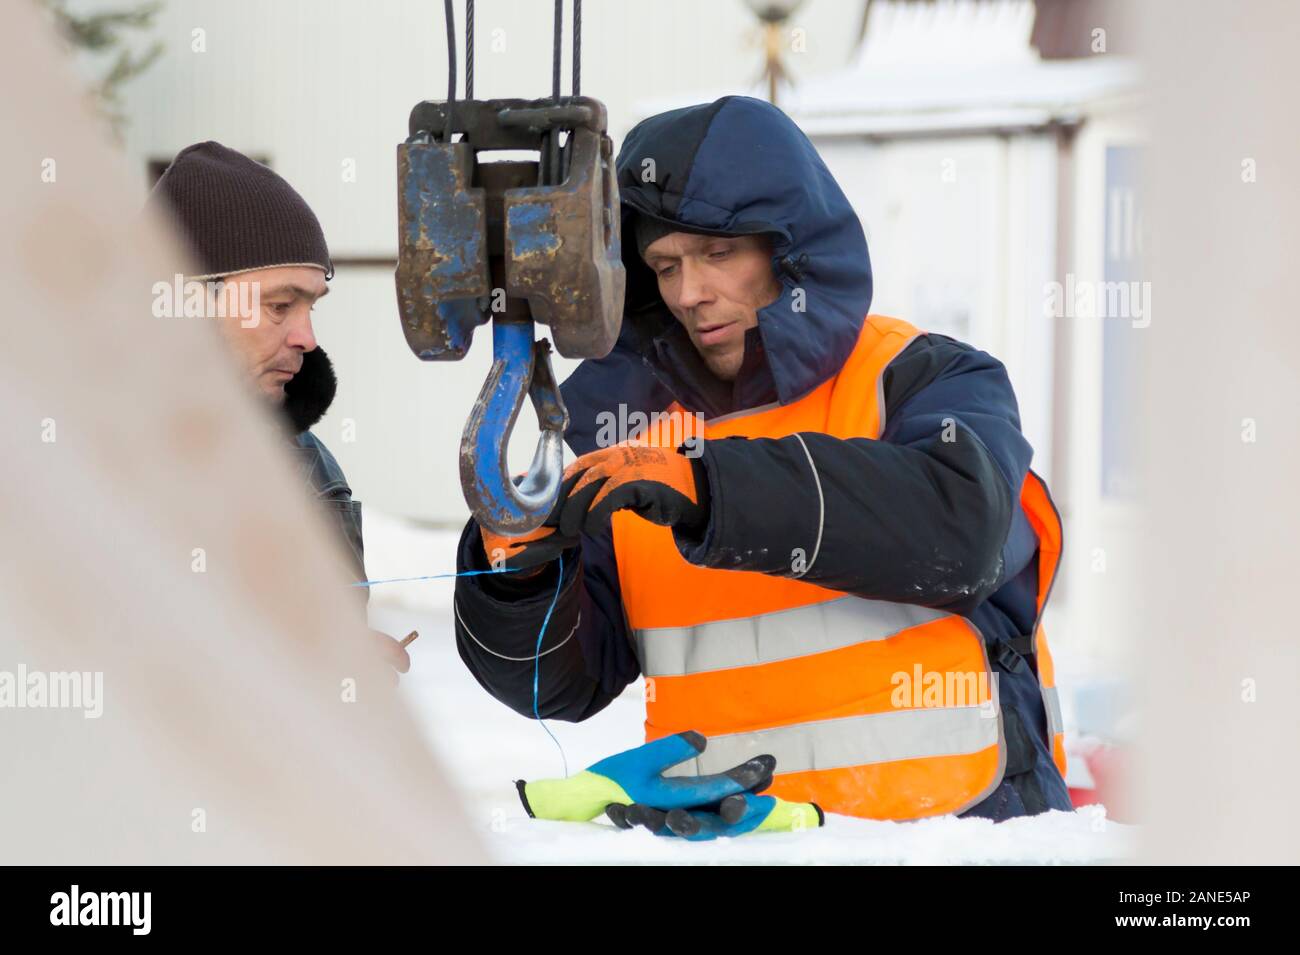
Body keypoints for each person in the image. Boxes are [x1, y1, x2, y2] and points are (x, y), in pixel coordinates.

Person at [453, 97, 1070, 821]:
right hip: (738, 840)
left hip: (959, 836)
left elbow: (959, 532)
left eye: (718, 254)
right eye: (665, 264)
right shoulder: (621, 426)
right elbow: (558, 685)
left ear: (790, 248)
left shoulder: (924, 378)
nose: (689, 293)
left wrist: (713, 492)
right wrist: (517, 576)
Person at [148, 142, 409, 678]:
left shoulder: (308, 467)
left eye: (312, 306)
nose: (307, 338)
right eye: (280, 306)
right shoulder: (67, 456)